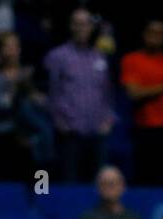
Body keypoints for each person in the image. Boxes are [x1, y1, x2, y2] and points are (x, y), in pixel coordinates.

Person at [45, 7, 116, 183]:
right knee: (70, 183)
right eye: (76, 24)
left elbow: (107, 92)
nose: (81, 28)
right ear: (70, 26)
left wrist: (108, 119)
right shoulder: (57, 56)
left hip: (97, 133)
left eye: (85, 24)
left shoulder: (100, 57)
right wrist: (60, 122)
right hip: (70, 134)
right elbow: (52, 93)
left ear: (91, 27)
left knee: (99, 184)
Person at [119, 19, 163, 186]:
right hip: (145, 128)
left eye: (160, 33)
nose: (156, 37)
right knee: (147, 178)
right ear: (144, 34)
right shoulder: (131, 60)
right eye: (152, 32)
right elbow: (134, 93)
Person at [0, 30, 54, 180]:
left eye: (16, 46)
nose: (13, 51)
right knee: (8, 183)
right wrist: (14, 87)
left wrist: (33, 92)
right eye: (8, 47)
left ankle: (42, 193)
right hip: (5, 137)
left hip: (30, 136)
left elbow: (44, 106)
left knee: (40, 176)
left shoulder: (28, 76)